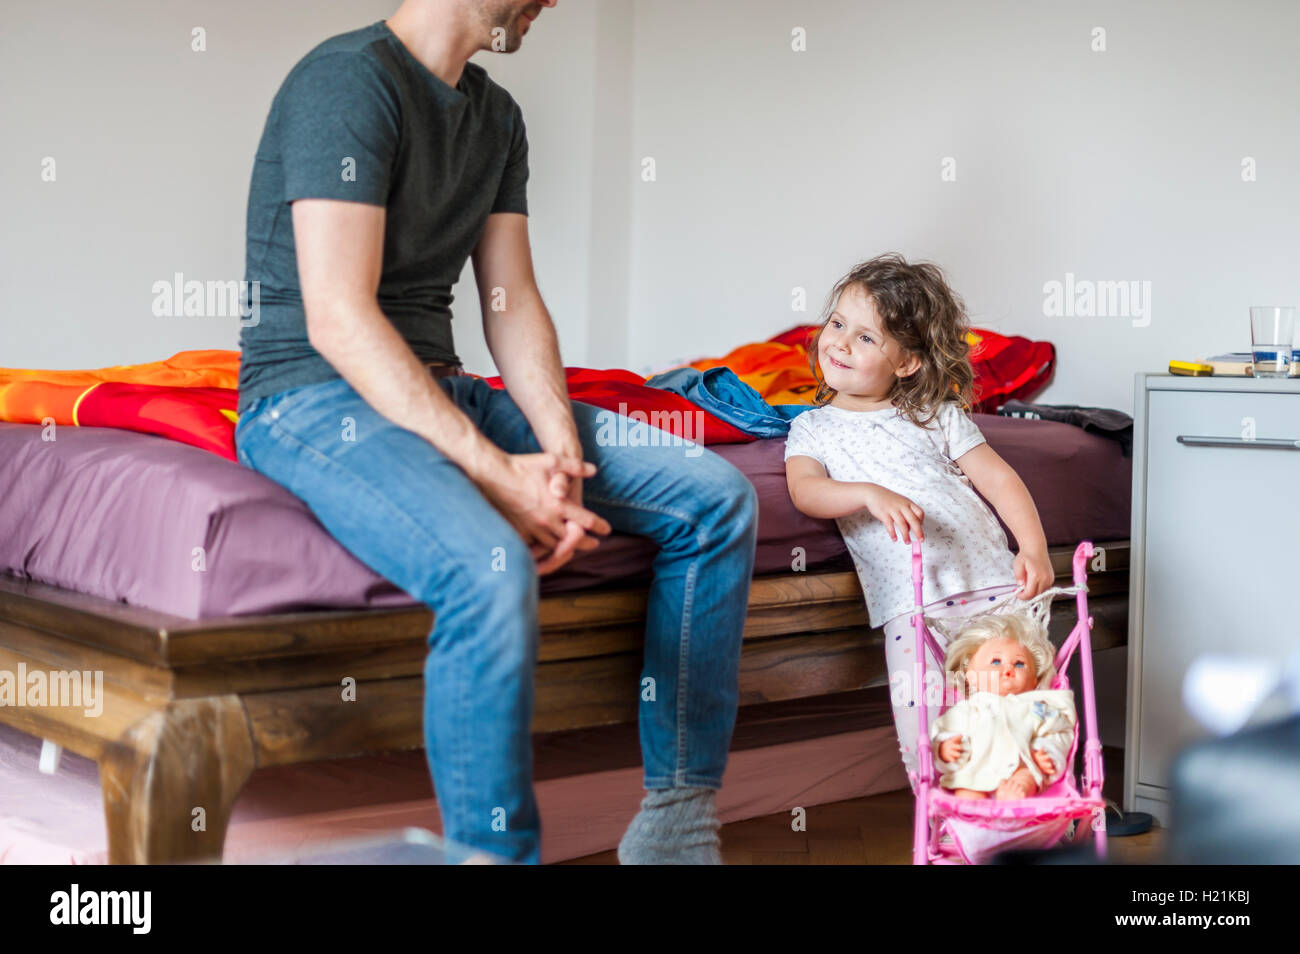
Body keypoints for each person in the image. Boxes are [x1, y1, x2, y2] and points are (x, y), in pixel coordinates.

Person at [234, 0, 758, 864]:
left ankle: (677, 819)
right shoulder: (346, 80)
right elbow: (337, 317)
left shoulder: (496, 115)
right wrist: (488, 471)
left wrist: (554, 448)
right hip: (311, 395)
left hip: (443, 384)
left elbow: (509, 302)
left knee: (716, 500)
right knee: (488, 568)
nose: (550, 2)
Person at [782, 253, 1055, 790]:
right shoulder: (812, 429)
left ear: (906, 362)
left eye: (865, 338)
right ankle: (946, 821)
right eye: (837, 323)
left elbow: (999, 481)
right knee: (928, 726)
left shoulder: (935, 415)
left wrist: (1034, 548)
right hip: (913, 605)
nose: (838, 341)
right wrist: (865, 493)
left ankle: (1033, 815)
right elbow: (805, 491)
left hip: (995, 590)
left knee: (1019, 715)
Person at [931, 613, 1075, 799]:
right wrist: (944, 749)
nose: (1008, 668)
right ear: (971, 677)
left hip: (1018, 769)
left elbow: (1059, 731)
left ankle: (1012, 806)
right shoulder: (968, 709)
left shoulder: (1035, 706)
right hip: (975, 773)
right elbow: (945, 730)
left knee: (1027, 778)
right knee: (965, 791)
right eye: (996, 661)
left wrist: (1045, 751)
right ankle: (975, 818)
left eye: (1020, 664)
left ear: (1033, 681)